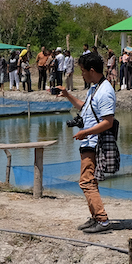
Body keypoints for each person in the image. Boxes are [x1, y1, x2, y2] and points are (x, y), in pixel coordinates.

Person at [56, 53, 115, 234]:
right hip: (89, 141)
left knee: (86, 181)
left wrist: (85, 132)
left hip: (95, 142)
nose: (81, 74)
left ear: (91, 70)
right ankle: (95, 217)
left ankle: (102, 220)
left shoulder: (105, 91)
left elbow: (108, 122)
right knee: (89, 181)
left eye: (82, 71)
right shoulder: (95, 88)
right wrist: (67, 95)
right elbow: (85, 107)